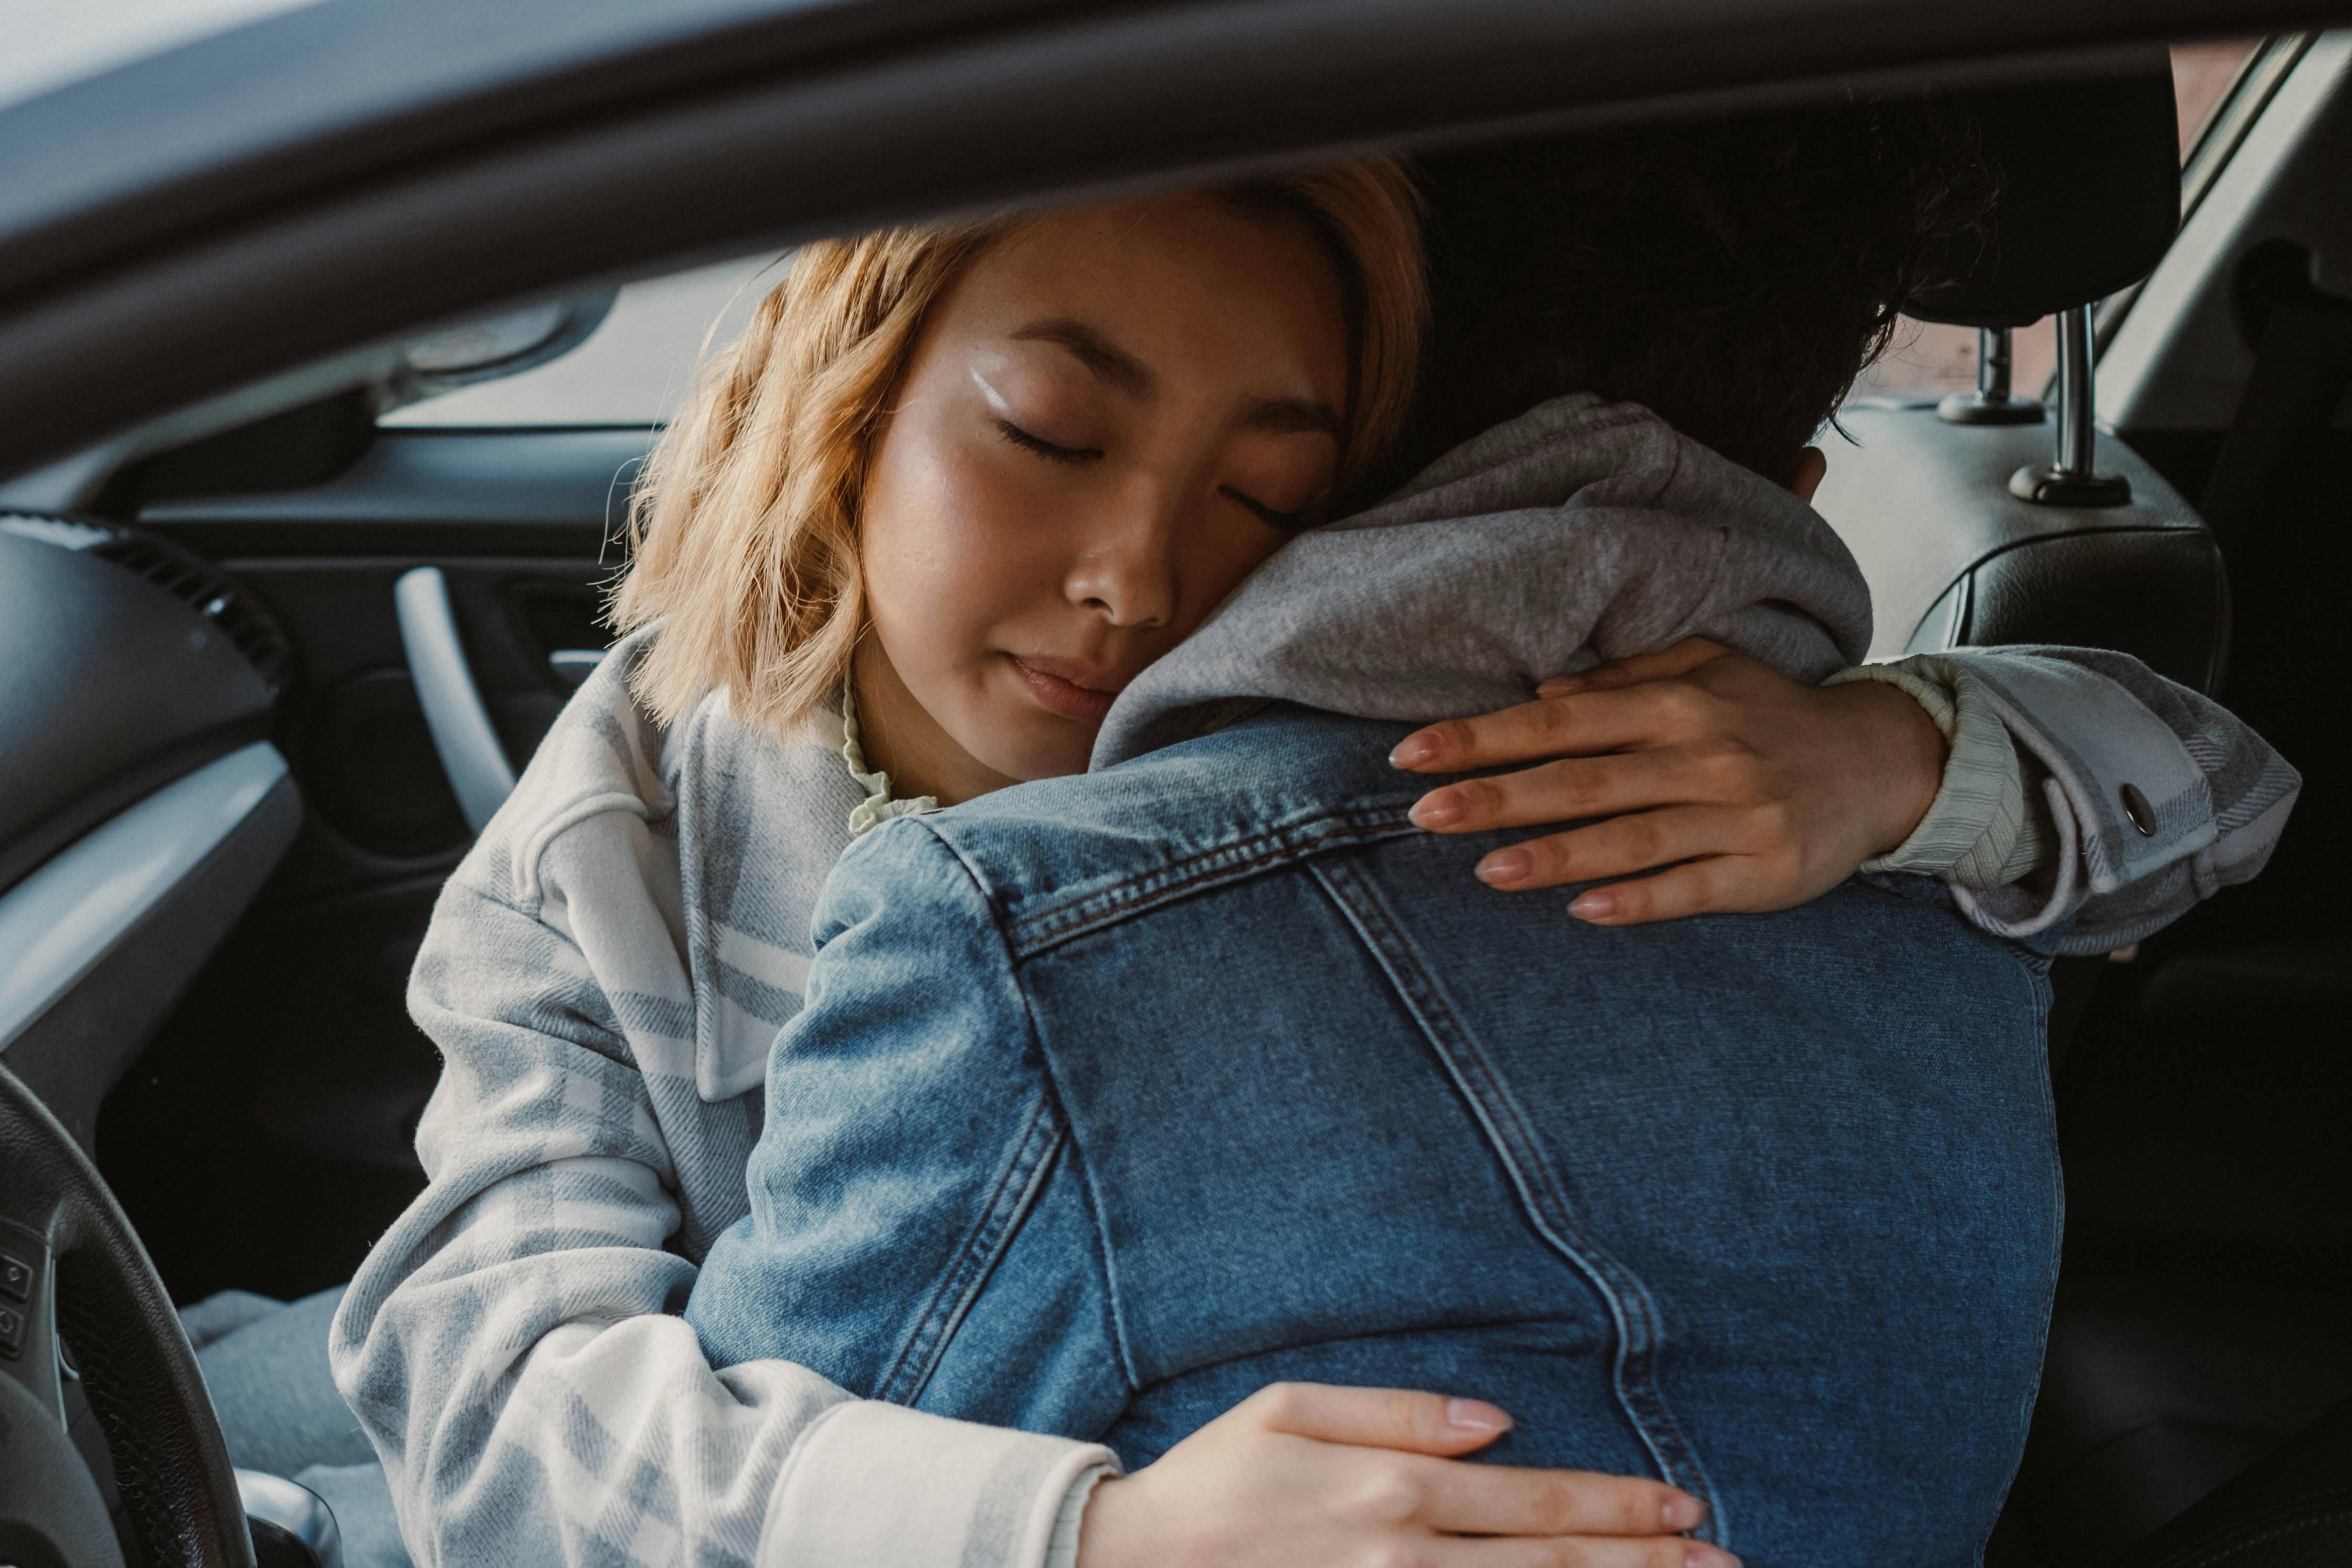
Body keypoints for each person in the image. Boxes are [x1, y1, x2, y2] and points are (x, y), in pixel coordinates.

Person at [281, 112, 2294, 1568]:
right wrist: (1082, 1529)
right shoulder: (624, 806)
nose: (1133, 576)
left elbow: (2228, 784)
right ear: (852, 390)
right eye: (1052, 436)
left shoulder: (1372, 768)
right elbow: (481, 1395)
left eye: (1266, 494)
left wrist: (1889, 758)